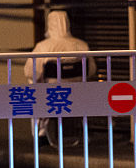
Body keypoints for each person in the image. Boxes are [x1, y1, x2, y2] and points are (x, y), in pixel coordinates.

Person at [23, 10, 95, 141]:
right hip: (78, 95)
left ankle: (41, 132)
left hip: (51, 95)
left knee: (32, 86)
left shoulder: (43, 47)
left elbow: (30, 72)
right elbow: (91, 71)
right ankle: (82, 130)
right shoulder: (82, 45)